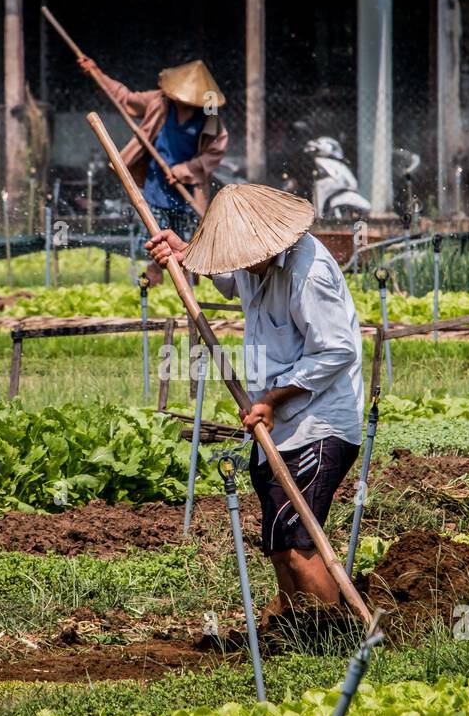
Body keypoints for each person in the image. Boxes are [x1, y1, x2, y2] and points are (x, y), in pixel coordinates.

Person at [145, 184, 363, 614]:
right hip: (277, 425)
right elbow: (227, 277)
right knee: (279, 543)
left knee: (298, 541)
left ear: (268, 242)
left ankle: (335, 642)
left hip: (319, 422)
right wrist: (185, 253)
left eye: (240, 255)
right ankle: (298, 632)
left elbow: (336, 351)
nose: (237, 265)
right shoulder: (250, 261)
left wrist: (274, 400)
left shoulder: (308, 272)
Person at [78, 55, 228, 240]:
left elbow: (215, 151)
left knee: (188, 250)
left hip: (188, 192)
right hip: (156, 186)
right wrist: (97, 73)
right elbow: (125, 98)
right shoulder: (159, 102)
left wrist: (184, 170)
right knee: (156, 248)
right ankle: (152, 270)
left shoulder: (209, 118)